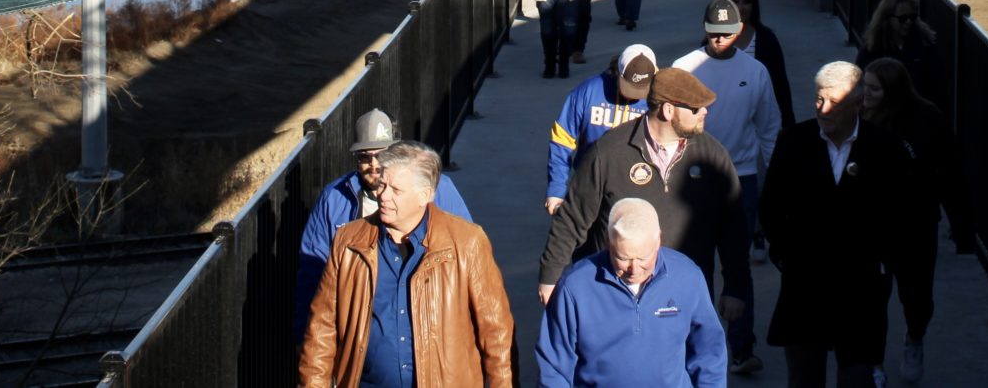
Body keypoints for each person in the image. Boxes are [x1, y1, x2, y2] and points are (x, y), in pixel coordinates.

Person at [538, 67, 751, 332]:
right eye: (695, 109)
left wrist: (736, 287)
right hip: (615, 294)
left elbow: (733, 228)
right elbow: (573, 218)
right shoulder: (610, 151)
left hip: (682, 298)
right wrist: (551, 277)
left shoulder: (712, 156)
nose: (704, 112)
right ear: (668, 110)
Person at [759, 63, 928, 388]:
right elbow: (771, 208)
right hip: (805, 287)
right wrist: (786, 255)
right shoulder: (794, 141)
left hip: (860, 290)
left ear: (858, 104)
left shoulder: (886, 149)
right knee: (804, 376)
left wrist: (882, 263)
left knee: (857, 376)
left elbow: (903, 215)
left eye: (833, 103)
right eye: (819, 100)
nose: (823, 109)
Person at [299, 140, 514, 388]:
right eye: (383, 185)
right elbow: (321, 332)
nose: (383, 195)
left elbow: (496, 334)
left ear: (425, 195)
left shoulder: (467, 243)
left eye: (396, 190)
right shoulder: (349, 243)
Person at [673, 0, 780, 376]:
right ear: (704, 29)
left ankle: (741, 346)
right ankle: (695, 346)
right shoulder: (684, 70)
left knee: (738, 268)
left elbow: (769, 130)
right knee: (694, 267)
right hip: (694, 182)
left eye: (726, 32)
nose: (719, 39)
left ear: (739, 31)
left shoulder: (756, 72)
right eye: (713, 31)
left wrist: (774, 185)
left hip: (742, 180)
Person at [295, 110, 474, 328]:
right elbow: (313, 270)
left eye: (381, 155)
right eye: (364, 156)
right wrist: (306, 336)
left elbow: (470, 253)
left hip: (429, 323)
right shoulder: (334, 198)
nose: (374, 164)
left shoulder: (439, 189)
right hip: (360, 327)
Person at [537, 197, 728, 388]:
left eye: (643, 258)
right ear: (607, 243)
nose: (634, 269)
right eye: (623, 258)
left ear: (658, 240)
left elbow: (709, 350)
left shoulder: (687, 277)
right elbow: (554, 367)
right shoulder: (575, 287)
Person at [863, 58, 958, 381]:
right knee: (873, 299)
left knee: (917, 297)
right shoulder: (859, 116)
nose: (866, 93)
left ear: (893, 91)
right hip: (873, 226)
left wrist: (962, 226)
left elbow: (950, 172)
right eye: (865, 85)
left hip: (916, 224)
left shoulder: (927, 118)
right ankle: (874, 363)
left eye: (874, 88)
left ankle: (914, 338)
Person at [547, 45, 655, 214]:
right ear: (618, 72)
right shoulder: (589, 91)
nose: (634, 95)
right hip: (589, 186)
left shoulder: (657, 99)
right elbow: (562, 139)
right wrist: (556, 189)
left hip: (638, 189)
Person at [854, 0, 948, 114]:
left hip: (917, 115)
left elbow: (938, 86)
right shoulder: (872, 48)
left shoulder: (925, 45)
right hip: (881, 113)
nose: (908, 22)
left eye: (912, 17)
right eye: (902, 18)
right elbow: (859, 84)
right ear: (887, 18)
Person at [718, 0, 794, 127]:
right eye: (736, 2)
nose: (741, 8)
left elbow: (780, 84)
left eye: (746, 2)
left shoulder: (767, 39)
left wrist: (788, 123)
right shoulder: (715, 40)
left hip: (760, 115)